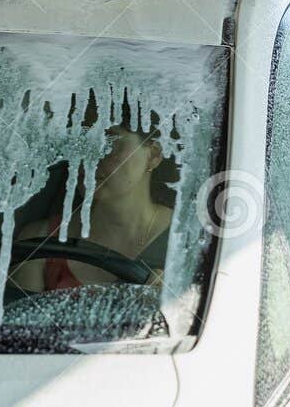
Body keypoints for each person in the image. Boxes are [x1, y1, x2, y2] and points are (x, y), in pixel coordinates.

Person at [10, 120, 174, 291]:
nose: (88, 158)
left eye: (107, 143)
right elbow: (19, 308)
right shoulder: (40, 239)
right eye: (80, 142)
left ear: (153, 155)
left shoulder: (185, 242)